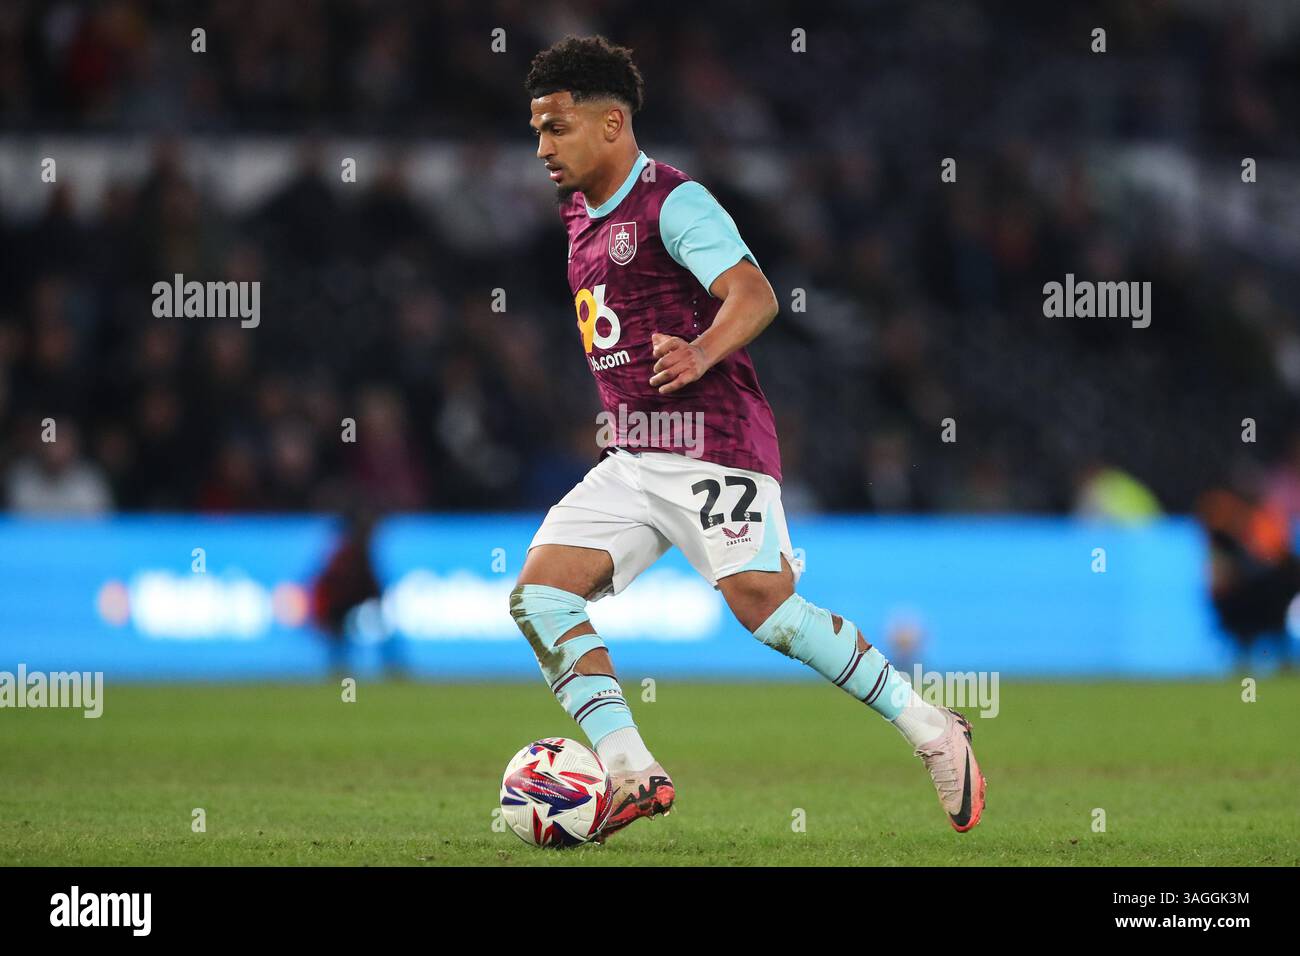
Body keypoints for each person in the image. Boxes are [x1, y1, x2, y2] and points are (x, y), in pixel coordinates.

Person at [510, 35, 986, 839]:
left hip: (709, 441)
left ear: (612, 123)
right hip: (635, 453)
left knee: (763, 608)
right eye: (536, 131)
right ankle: (630, 771)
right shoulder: (576, 214)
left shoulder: (673, 202)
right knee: (541, 594)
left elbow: (755, 295)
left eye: (556, 127)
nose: (543, 147)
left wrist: (699, 349)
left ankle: (934, 729)